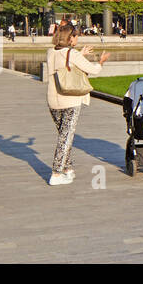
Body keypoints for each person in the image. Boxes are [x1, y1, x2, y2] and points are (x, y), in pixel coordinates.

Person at [41, 23, 109, 186]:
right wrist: (101, 61)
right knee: (66, 136)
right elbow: (93, 70)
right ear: (70, 38)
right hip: (70, 100)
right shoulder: (72, 54)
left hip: (53, 99)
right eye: (76, 36)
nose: (78, 38)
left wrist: (80, 53)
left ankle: (67, 168)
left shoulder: (51, 52)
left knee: (64, 135)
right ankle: (56, 173)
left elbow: (65, 63)